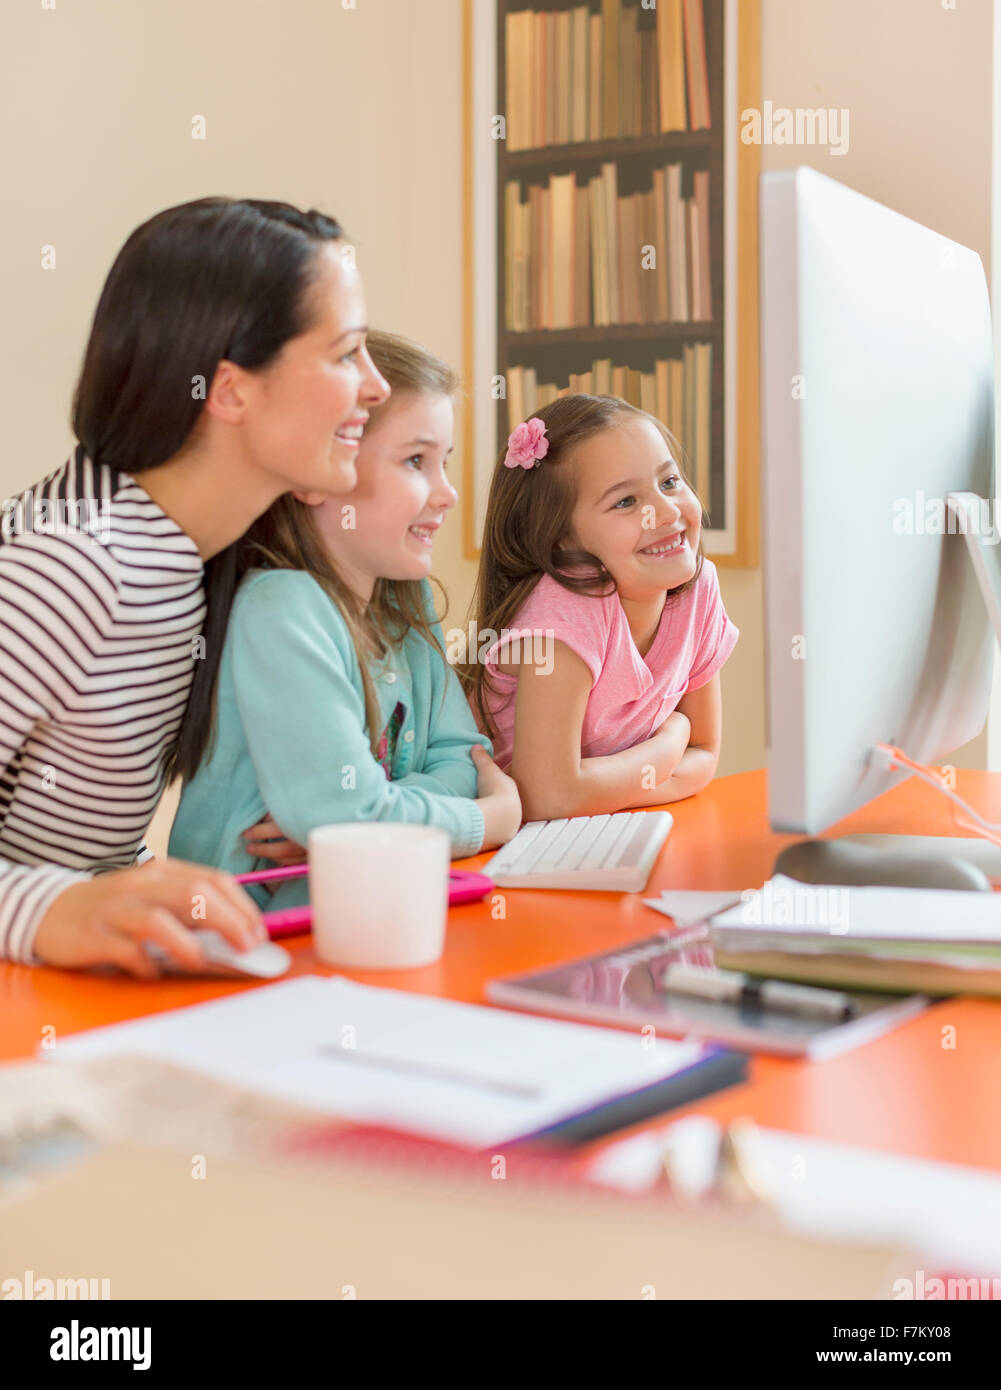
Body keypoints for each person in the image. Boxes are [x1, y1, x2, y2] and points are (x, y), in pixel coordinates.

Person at [0, 197, 389, 974]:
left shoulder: (194, 559)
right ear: (231, 390)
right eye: (345, 354)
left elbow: (81, 852)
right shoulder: (65, 565)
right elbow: (60, 885)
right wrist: (57, 909)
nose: (374, 387)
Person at [168, 331, 521, 911]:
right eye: (415, 461)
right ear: (319, 474)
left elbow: (463, 759)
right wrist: (488, 820)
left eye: (444, 464)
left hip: (362, 917)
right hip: (243, 950)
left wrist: (373, 819)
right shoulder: (282, 609)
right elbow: (351, 815)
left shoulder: (409, 604)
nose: (448, 494)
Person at [461, 394, 738, 821]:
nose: (664, 512)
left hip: (594, 828)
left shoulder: (696, 589)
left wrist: (599, 788)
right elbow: (545, 797)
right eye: (625, 502)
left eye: (669, 482)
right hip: (492, 844)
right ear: (563, 542)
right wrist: (668, 746)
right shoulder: (569, 610)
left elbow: (703, 756)